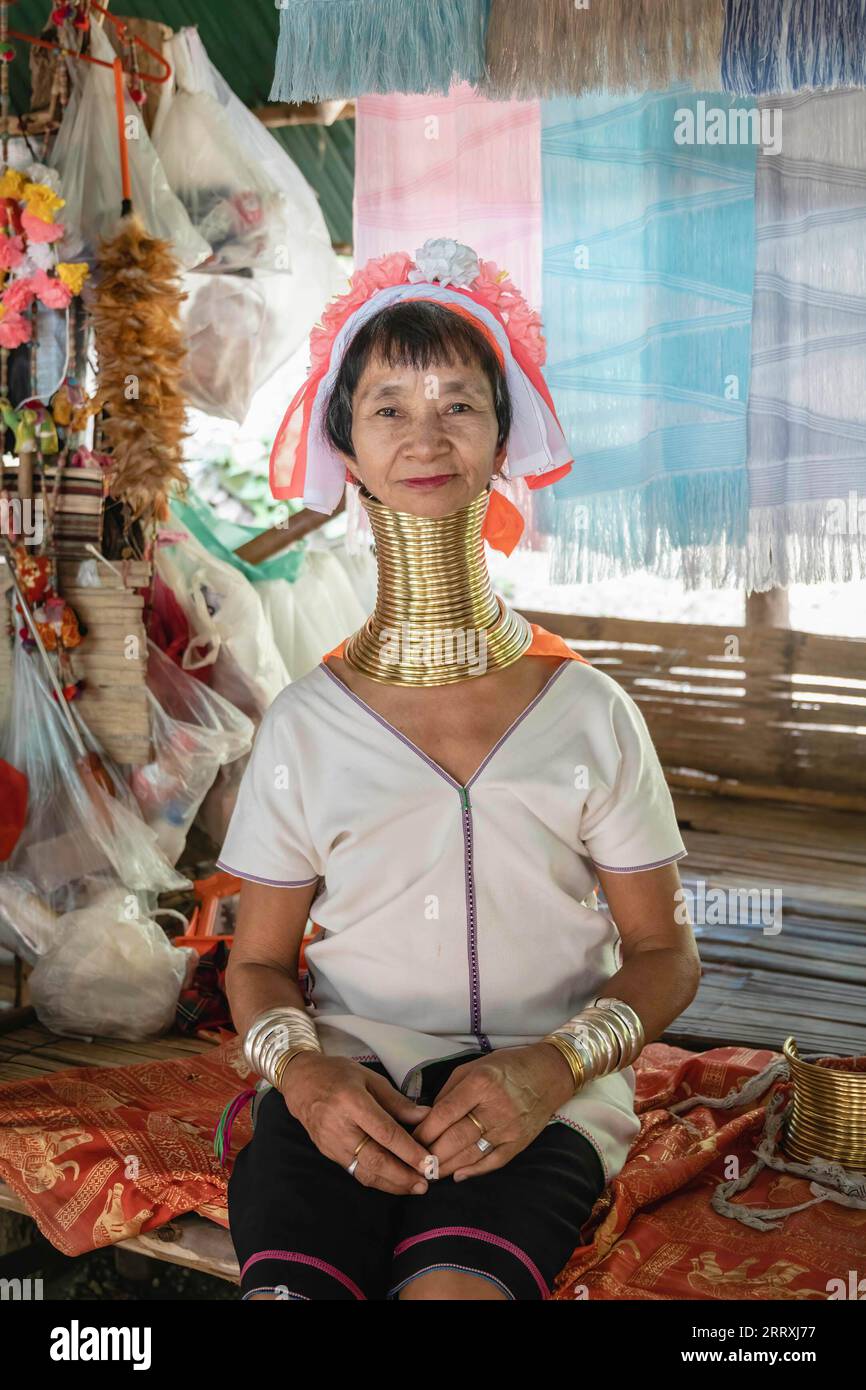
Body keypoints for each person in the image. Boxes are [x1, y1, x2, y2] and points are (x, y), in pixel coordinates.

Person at [217, 239, 700, 1302]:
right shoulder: (307, 724)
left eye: (459, 404)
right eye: (387, 405)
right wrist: (301, 1071)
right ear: (343, 443)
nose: (425, 435)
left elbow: (664, 951)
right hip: (347, 1087)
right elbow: (253, 968)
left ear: (500, 439)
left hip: (546, 1093)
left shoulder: (584, 709)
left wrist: (556, 1066)